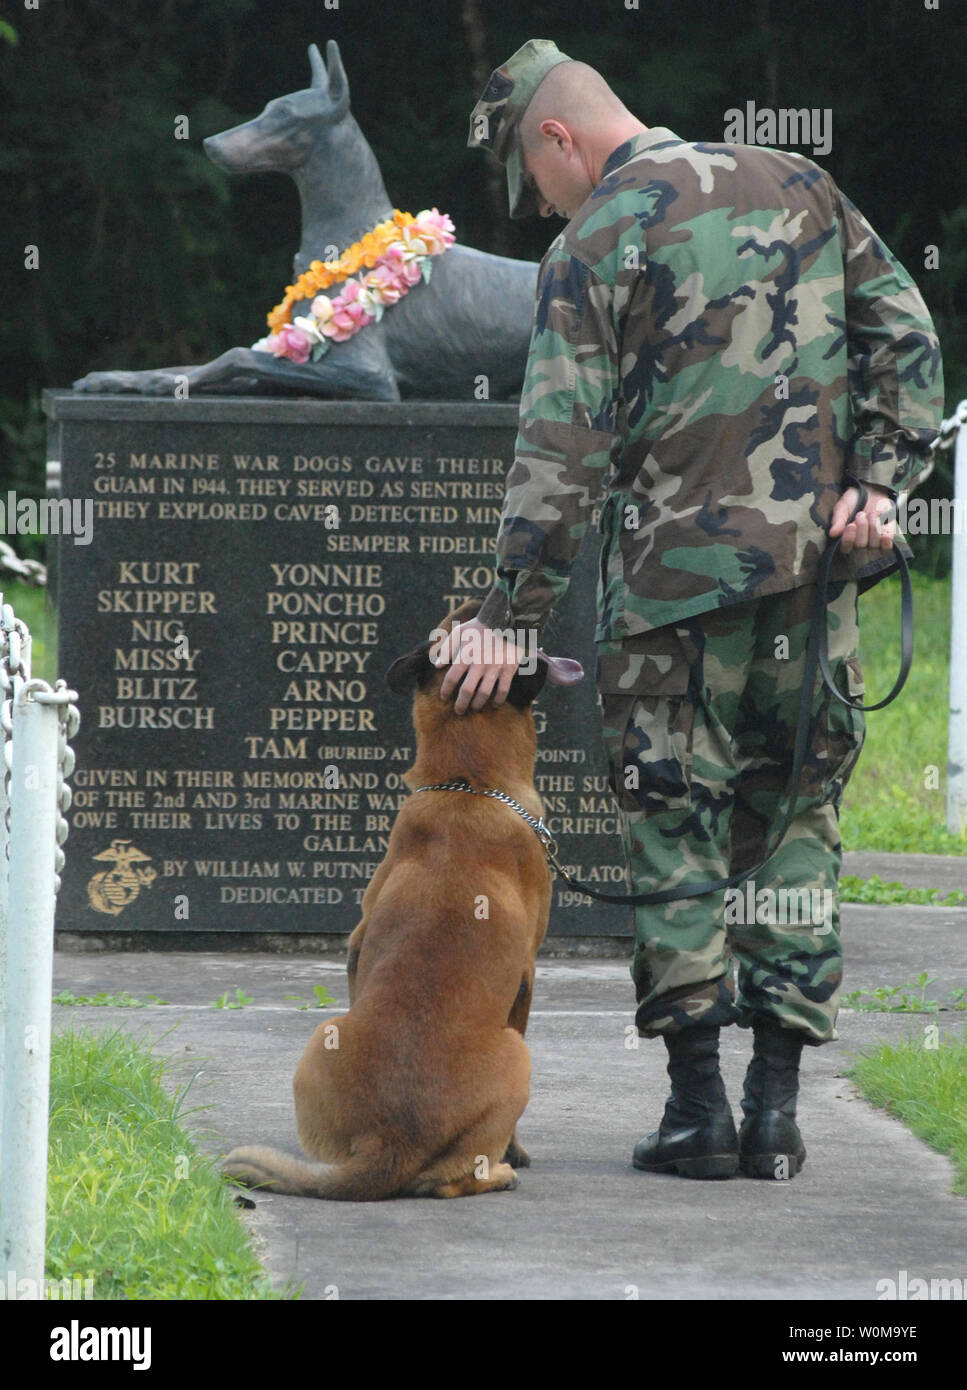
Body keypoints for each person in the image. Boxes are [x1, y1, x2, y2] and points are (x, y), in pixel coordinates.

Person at [431, 39, 944, 1180]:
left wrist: (506, 613)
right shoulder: (799, 185)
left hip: (670, 605)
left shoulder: (593, 242)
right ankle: (777, 1114)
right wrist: (879, 483)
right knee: (795, 827)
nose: (542, 205)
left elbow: (560, 449)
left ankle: (697, 1112)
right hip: (812, 589)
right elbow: (906, 338)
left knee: (677, 832)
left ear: (557, 138)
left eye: (535, 178)